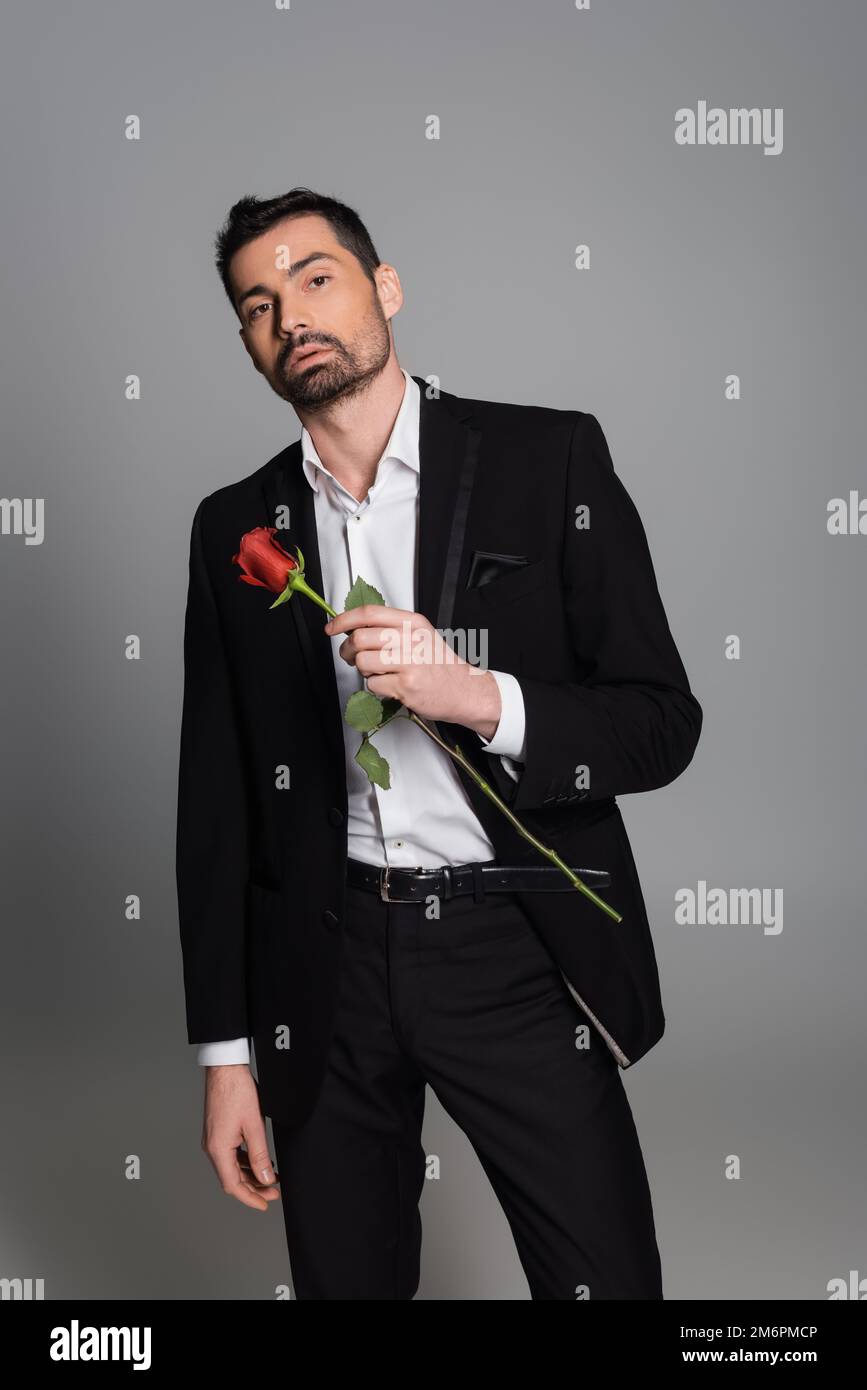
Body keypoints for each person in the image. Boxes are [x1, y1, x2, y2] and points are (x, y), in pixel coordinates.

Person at [175, 187, 703, 1299]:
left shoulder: (548, 460)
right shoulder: (236, 527)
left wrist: (478, 695)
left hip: (511, 943)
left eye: (316, 277)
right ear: (248, 343)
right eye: (259, 304)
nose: (293, 315)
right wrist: (227, 1057)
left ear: (385, 287)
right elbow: (216, 805)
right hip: (325, 966)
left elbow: (661, 720)